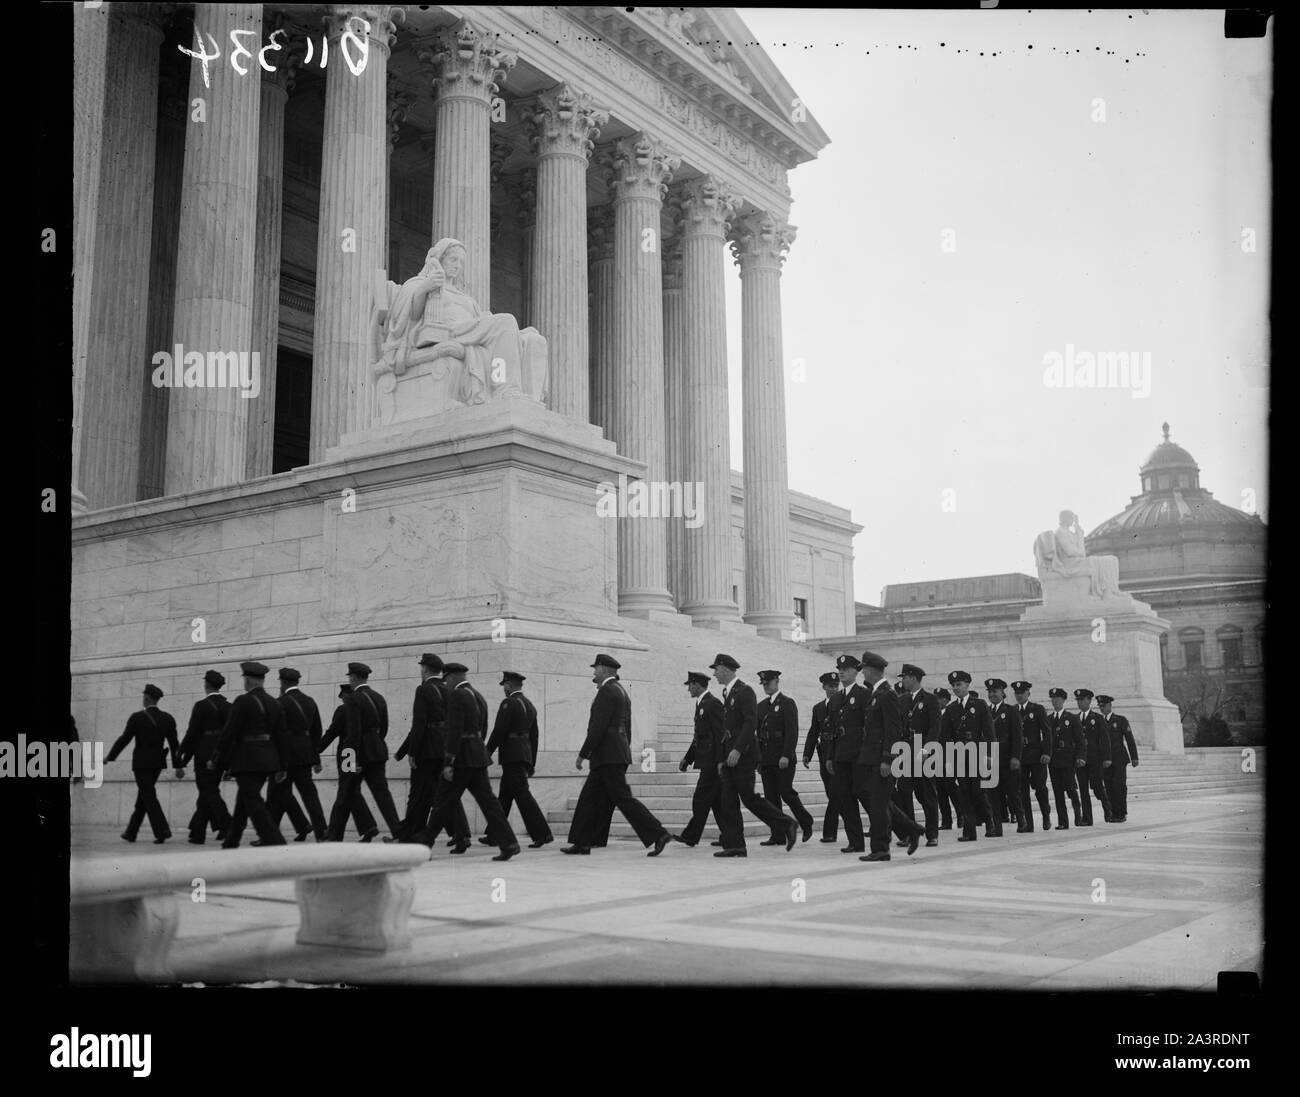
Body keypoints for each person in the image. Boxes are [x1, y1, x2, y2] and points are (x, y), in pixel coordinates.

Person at [564, 654, 671, 857]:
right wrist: (623, 750)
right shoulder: (621, 691)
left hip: (606, 756)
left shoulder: (606, 691)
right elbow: (627, 728)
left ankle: (658, 833)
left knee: (620, 798)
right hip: (615, 754)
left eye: (596, 668)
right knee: (593, 798)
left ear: (604, 669)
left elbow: (598, 727)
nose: (594, 672)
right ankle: (585, 841)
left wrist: (583, 754)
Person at [416, 664, 520, 860]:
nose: (446, 683)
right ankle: (509, 843)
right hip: (478, 755)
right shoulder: (477, 695)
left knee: (442, 802)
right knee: (489, 803)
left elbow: (454, 730)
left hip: (462, 758)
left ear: (453, 677)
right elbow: (484, 726)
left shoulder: (457, 695)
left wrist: (449, 761)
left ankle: (424, 846)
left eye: (446, 679)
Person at [708, 654, 796, 858]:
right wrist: (723, 757)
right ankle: (735, 844)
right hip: (731, 756)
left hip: (744, 756)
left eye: (717, 669)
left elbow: (750, 723)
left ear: (728, 670)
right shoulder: (729, 693)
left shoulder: (744, 691)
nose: (714, 674)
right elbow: (726, 730)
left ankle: (787, 823)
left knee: (749, 798)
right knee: (728, 800)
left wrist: (738, 749)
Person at [213, 662, 290, 849]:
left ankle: (274, 839)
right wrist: (283, 766)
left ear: (247, 680)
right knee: (245, 799)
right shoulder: (275, 703)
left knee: (252, 799)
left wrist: (217, 756)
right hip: (268, 760)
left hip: (247, 759)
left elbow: (229, 732)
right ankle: (232, 840)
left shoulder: (242, 701)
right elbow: (282, 736)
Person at [857, 652, 924, 862]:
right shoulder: (877, 693)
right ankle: (912, 830)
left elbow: (894, 731)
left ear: (870, 671)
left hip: (882, 759)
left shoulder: (887, 695)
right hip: (871, 758)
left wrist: (888, 759)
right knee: (881, 802)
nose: (863, 673)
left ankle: (880, 849)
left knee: (878, 804)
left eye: (864, 670)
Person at [326, 662, 402, 840]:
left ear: (353, 677)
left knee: (344, 792)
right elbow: (383, 729)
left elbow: (353, 733)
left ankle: (333, 836)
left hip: (354, 753)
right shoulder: (379, 697)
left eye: (349, 677)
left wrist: (352, 761)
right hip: (377, 751)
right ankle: (398, 832)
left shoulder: (352, 698)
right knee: (383, 795)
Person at [106, 684, 182, 844]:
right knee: (144, 796)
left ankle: (162, 830)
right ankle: (131, 832)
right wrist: (178, 766)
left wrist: (110, 757)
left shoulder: (137, 717)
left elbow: (124, 739)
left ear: (147, 698)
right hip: (157, 764)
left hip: (141, 764)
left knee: (147, 794)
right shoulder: (167, 718)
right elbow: (175, 744)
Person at [485, 671, 553, 848]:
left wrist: (486, 753)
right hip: (522, 756)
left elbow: (499, 731)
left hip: (512, 756)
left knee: (523, 795)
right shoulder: (530, 705)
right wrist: (532, 762)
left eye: (505, 685)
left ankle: (542, 833)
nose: (504, 689)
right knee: (504, 797)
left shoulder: (509, 703)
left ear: (510, 684)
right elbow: (535, 737)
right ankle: (494, 834)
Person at [266, 667, 327, 842]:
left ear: (282, 682)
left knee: (276, 794)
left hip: (285, 757)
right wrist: (316, 758)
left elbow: (276, 733)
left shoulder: (279, 702)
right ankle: (321, 831)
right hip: (305, 756)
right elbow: (317, 732)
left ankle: (270, 834)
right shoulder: (310, 701)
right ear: (297, 682)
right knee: (309, 796)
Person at [756, 670, 814, 844]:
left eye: (769, 683)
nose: (767, 686)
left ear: (777, 681)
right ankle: (778, 835)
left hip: (783, 759)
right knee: (771, 798)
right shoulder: (761, 706)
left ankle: (806, 821)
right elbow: (759, 734)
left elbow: (792, 732)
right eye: (764, 684)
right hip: (767, 759)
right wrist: (758, 759)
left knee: (786, 792)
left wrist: (786, 755)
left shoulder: (787, 703)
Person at [177, 669, 233, 845]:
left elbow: (193, 733)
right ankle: (197, 832)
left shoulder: (201, 706)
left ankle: (228, 824)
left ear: (206, 685)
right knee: (207, 793)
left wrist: (181, 754)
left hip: (204, 755)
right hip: (221, 756)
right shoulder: (228, 706)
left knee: (209, 792)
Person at [940, 670, 995, 841]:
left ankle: (990, 820)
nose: (956, 688)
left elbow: (989, 731)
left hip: (977, 754)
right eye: (954, 686)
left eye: (959, 685)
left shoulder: (979, 704)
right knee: (964, 794)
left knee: (978, 792)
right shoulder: (951, 709)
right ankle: (969, 832)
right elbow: (945, 737)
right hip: (959, 757)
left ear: (967, 685)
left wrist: (989, 756)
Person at [673, 671, 726, 847]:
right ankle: (728, 835)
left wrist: (720, 761)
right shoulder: (702, 703)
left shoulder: (712, 704)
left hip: (712, 762)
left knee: (700, 799)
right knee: (717, 802)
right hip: (707, 760)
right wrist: (688, 759)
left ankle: (691, 836)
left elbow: (720, 735)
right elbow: (699, 737)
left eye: (690, 685)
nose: (688, 689)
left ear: (696, 685)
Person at [321, 684, 380, 840]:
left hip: (347, 754)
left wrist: (316, 750)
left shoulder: (342, 711)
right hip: (359, 753)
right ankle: (368, 827)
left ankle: (335, 832)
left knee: (346, 790)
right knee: (351, 791)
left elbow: (331, 733)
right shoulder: (363, 709)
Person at [826, 654, 872, 853]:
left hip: (859, 754)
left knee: (866, 796)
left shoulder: (864, 694)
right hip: (841, 755)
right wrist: (829, 755)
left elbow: (869, 727)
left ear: (856, 671)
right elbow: (831, 729)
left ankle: (894, 827)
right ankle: (856, 841)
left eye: (846, 669)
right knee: (844, 798)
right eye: (840, 669)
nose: (842, 672)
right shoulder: (836, 698)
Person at [894, 664, 942, 847]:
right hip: (906, 752)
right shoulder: (903, 700)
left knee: (927, 795)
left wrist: (927, 749)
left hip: (924, 753)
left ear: (913, 678)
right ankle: (910, 832)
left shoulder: (930, 699)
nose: (903, 681)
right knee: (904, 793)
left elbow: (935, 727)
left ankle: (932, 834)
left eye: (905, 677)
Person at [801, 671, 841, 844]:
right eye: (830, 686)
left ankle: (829, 832)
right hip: (824, 753)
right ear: (824, 687)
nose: (833, 689)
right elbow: (813, 732)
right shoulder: (818, 708)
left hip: (840, 755)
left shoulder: (843, 703)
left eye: (835, 686)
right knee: (831, 792)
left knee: (836, 793)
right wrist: (807, 753)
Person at [1011, 681, 1052, 832]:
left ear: (1028, 693)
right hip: (1020, 756)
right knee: (1022, 791)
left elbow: (1047, 733)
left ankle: (1046, 815)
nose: (1019, 696)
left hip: (1036, 755)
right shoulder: (1012, 710)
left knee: (1040, 788)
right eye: (1017, 693)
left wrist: (1047, 753)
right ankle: (1028, 823)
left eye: (1022, 693)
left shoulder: (1038, 709)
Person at [985, 678, 1023, 831]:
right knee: (993, 796)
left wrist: (1016, 757)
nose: (992, 694)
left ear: (1002, 693)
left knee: (1013, 795)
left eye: (995, 691)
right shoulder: (985, 711)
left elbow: (1018, 736)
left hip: (1007, 759)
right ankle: (997, 827)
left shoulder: (1011, 710)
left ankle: (1021, 821)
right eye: (990, 692)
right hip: (990, 760)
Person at [1046, 687, 1086, 828]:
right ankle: (1063, 822)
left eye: (1057, 699)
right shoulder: (1048, 719)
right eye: (1053, 699)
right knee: (1057, 792)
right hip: (1054, 760)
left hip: (1068, 759)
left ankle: (1078, 813)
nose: (1054, 701)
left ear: (1063, 700)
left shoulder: (1072, 718)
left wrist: (1080, 756)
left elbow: (1080, 740)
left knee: (1070, 788)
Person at [1075, 688, 1114, 825]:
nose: (1080, 703)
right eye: (1078, 700)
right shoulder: (1074, 719)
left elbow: (1105, 739)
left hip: (1095, 759)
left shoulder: (1097, 718)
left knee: (1097, 787)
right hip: (1080, 760)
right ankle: (1087, 818)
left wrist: (1107, 757)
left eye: (1082, 700)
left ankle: (1107, 805)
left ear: (1089, 701)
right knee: (1083, 790)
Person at [1099, 695, 1138, 822]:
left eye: (1104, 706)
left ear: (1110, 705)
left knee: (1119, 786)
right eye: (1100, 706)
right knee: (1109, 787)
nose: (1102, 708)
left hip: (1119, 758)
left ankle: (1121, 813)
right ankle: (1113, 813)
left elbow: (1129, 739)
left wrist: (1134, 757)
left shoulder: (1120, 720)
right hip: (1105, 759)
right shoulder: (1099, 721)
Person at [932, 687, 959, 829]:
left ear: (945, 700)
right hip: (936, 756)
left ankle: (961, 815)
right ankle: (946, 820)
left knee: (950, 786)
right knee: (940, 789)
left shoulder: (951, 712)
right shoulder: (932, 714)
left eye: (938, 699)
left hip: (949, 755)